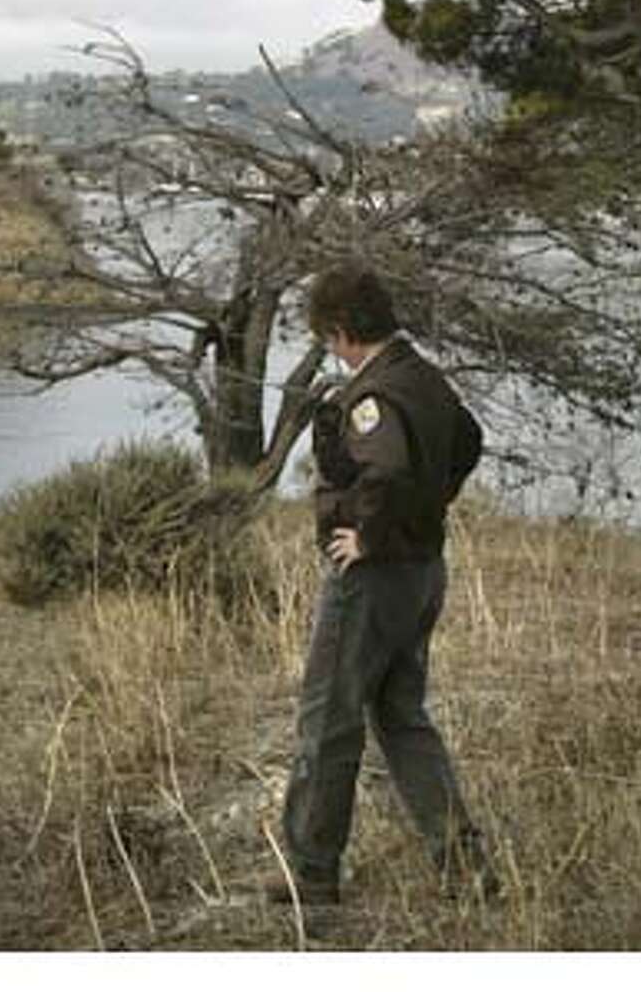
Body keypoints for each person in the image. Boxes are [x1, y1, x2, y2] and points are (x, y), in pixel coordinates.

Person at [268, 263, 491, 907]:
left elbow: (386, 469)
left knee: (328, 719)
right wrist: (429, 507)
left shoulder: (373, 395)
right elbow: (468, 442)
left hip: (374, 578)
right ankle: (463, 865)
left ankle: (311, 872)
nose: (332, 350)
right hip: (423, 571)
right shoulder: (425, 377)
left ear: (342, 331)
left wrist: (368, 536)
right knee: (401, 717)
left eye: (329, 338)